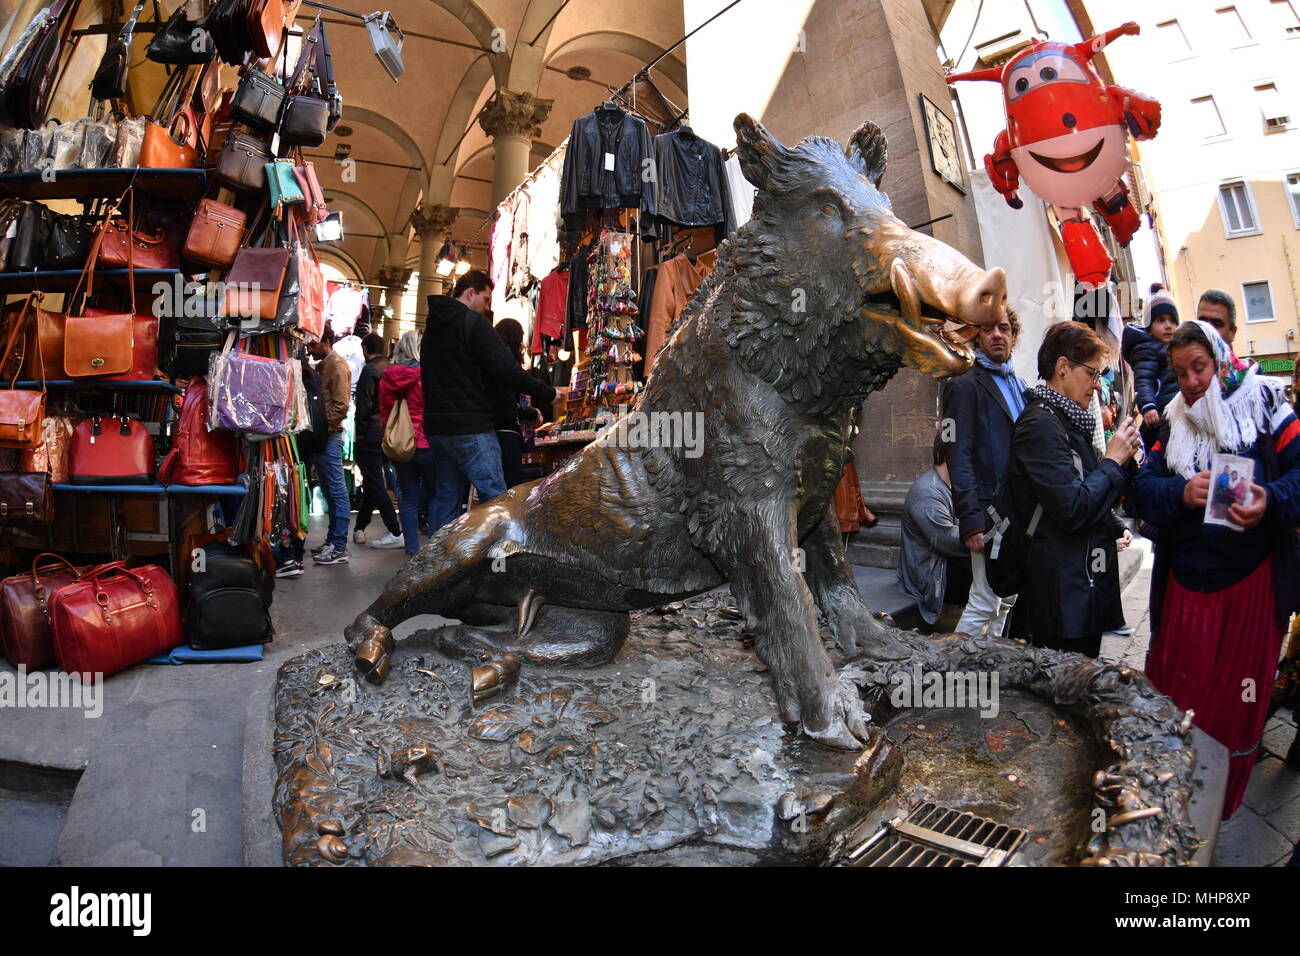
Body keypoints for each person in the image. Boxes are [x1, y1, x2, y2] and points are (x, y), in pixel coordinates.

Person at [1133, 319, 1300, 819]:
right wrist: (1179, 493)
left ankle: (1217, 807)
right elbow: (1140, 488)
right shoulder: (1171, 421)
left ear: (1220, 359)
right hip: (1186, 588)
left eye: (1199, 368)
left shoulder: (1268, 406)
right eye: (1181, 372)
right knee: (1179, 692)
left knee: (1236, 699)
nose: (1191, 383)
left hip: (1249, 588)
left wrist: (1270, 499)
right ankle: (1172, 793)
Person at [1000, 321, 1141, 658]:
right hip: (1058, 596)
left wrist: (1114, 524)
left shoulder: (1068, 419)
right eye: (1092, 373)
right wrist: (1113, 461)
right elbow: (1072, 507)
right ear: (1063, 368)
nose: (1097, 385)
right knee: (1059, 692)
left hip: (1078, 588)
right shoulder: (1040, 425)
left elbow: (1083, 486)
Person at [421, 270, 556, 531]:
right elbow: (506, 369)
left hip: (438, 429)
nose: (486, 307)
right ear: (470, 293)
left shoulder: (432, 330)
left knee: (446, 498)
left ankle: (440, 565)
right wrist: (547, 392)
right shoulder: (471, 323)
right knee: (495, 497)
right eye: (485, 299)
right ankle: (494, 564)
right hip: (470, 427)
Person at [943, 307, 1027, 638]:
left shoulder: (1021, 384)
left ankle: (988, 668)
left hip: (1019, 510)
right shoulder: (963, 386)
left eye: (1003, 328)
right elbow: (957, 452)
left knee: (1006, 597)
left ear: (1013, 335)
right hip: (987, 510)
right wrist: (971, 518)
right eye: (988, 329)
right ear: (977, 336)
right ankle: (953, 676)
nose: (997, 335)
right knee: (984, 599)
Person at [898, 432, 971, 632]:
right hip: (930, 574)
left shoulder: (955, 484)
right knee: (988, 565)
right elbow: (947, 540)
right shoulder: (927, 492)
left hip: (946, 560)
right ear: (951, 456)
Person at [379, 330, 438, 557]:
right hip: (428, 443)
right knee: (435, 496)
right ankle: (433, 551)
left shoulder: (388, 376)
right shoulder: (429, 374)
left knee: (408, 498)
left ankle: (412, 550)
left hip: (401, 446)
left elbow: (385, 414)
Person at [276, 353, 328, 578]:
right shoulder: (313, 377)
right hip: (306, 448)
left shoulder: (285, 377)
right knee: (300, 496)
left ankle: (287, 555)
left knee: (283, 498)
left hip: (287, 444)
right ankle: (297, 552)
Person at [307, 326, 353, 565]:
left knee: (336, 491)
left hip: (329, 434)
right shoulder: (327, 364)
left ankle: (339, 546)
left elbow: (340, 405)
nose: (310, 349)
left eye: (313, 345)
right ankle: (333, 542)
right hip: (326, 434)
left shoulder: (336, 365)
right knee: (331, 491)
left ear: (326, 341)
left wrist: (322, 429)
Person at [351, 332, 402, 548]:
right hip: (387, 432)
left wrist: (360, 433)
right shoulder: (392, 367)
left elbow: (363, 408)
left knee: (375, 483)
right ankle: (360, 528)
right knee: (374, 483)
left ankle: (395, 530)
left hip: (370, 434)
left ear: (365, 349)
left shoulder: (369, 370)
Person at [1122, 283, 1179, 441]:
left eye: (1173, 321)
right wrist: (1148, 406)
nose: (1168, 325)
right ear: (1149, 327)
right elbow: (1144, 381)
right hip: (1162, 414)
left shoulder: (1176, 349)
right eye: (1161, 321)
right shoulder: (1147, 350)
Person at [491, 318, 544, 488]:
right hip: (506, 430)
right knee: (511, 487)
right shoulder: (507, 364)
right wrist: (532, 412)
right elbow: (506, 401)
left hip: (492, 431)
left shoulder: (492, 359)